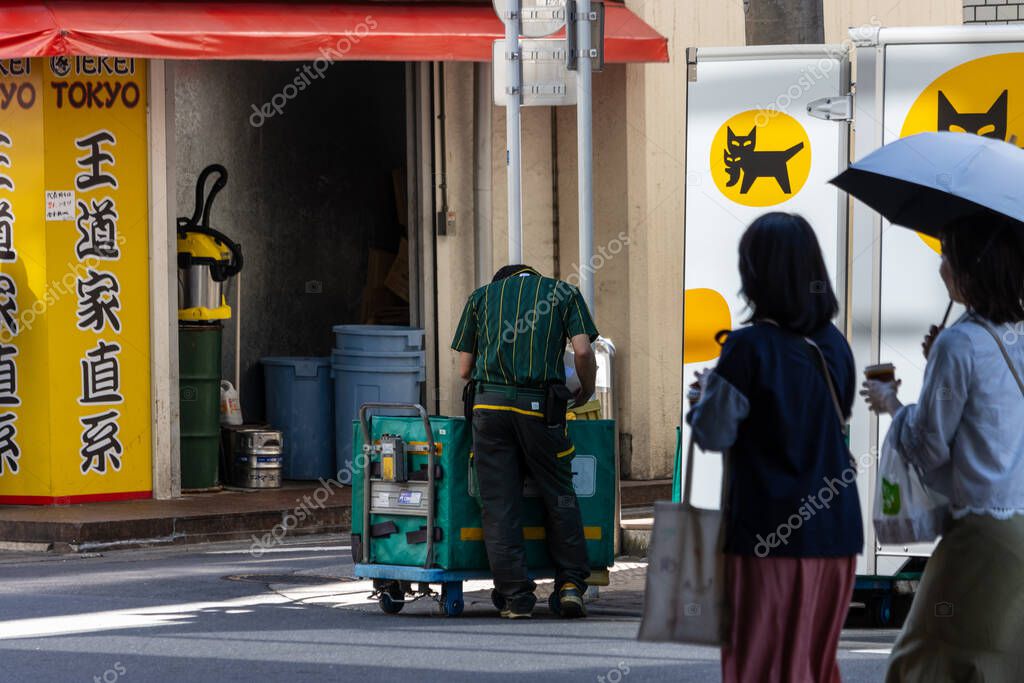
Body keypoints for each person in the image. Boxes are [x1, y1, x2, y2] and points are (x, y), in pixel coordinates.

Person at [687, 212, 863, 683]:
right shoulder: (834, 345)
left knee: (760, 667)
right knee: (813, 667)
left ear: (754, 274)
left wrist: (703, 400)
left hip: (768, 534)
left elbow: (713, 434)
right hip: (836, 535)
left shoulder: (748, 348)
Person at [862, 215, 1024, 681]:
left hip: (980, 537)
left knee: (921, 662)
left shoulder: (959, 343)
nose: (940, 266)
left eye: (947, 254)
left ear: (971, 267)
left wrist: (892, 404)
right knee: (997, 665)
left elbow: (928, 446)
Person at [451, 264, 598, 619]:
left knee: (499, 503)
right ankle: (570, 587)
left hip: (488, 409)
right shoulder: (564, 293)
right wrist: (586, 387)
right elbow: (581, 351)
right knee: (559, 493)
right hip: (539, 410)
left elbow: (464, 370)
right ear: (532, 276)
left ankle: (516, 597)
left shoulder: (480, 297)